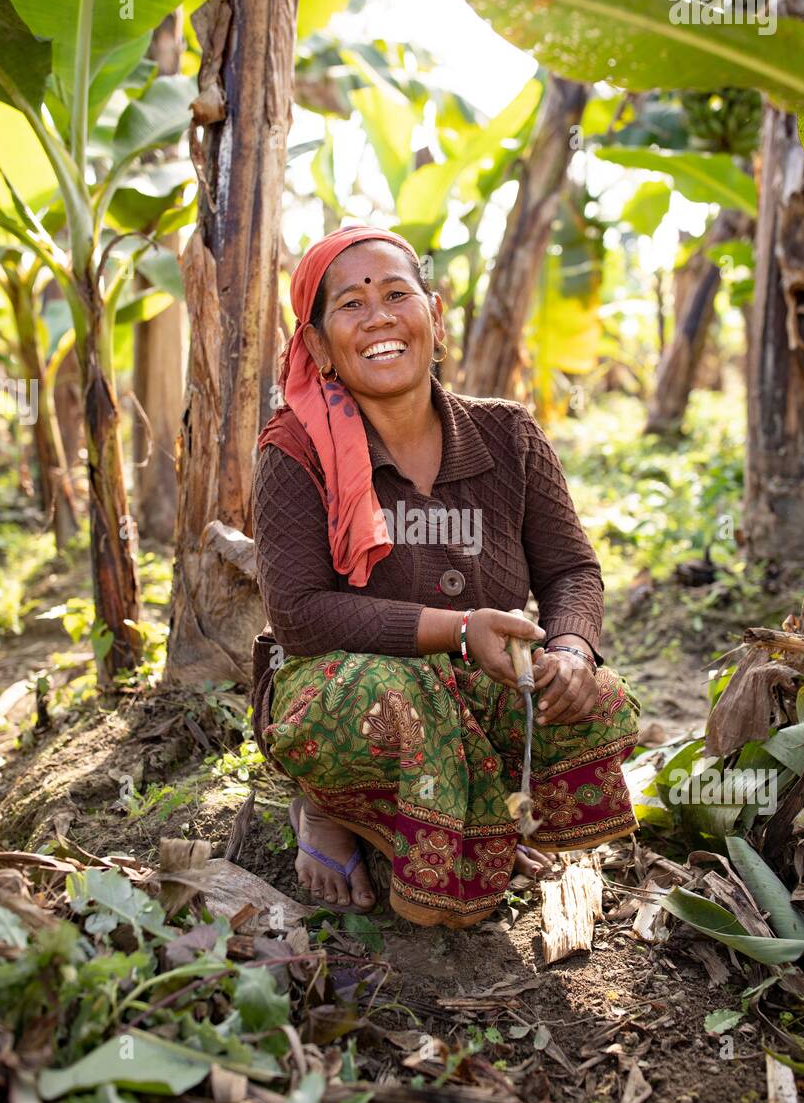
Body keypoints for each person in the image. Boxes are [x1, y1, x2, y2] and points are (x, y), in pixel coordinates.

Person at [250, 224, 640, 928]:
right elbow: (300, 614)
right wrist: (458, 631)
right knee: (401, 698)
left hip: (478, 681)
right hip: (348, 686)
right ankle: (331, 808)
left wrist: (574, 651)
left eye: (397, 294)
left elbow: (572, 569)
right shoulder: (295, 451)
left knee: (601, 702)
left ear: (435, 315)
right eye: (350, 304)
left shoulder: (507, 433)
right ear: (317, 347)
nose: (378, 318)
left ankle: (481, 814)